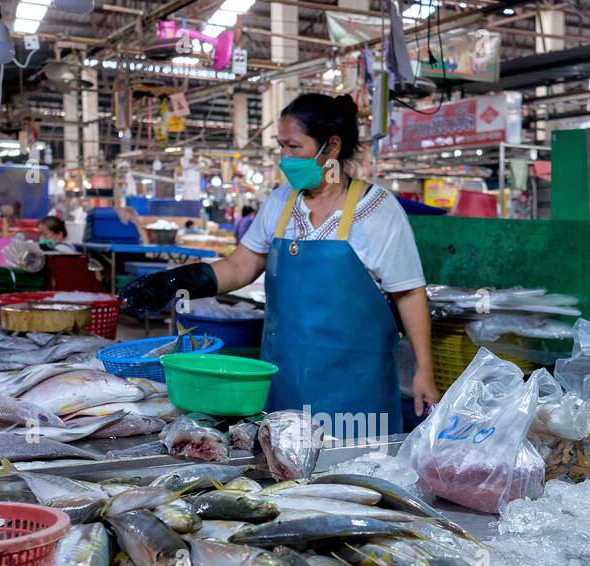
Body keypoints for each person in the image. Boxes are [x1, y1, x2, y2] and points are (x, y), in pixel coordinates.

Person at [121, 93, 439, 427]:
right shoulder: (280, 203)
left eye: (295, 147)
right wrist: (177, 281)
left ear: (331, 146)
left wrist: (424, 370)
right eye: (281, 146)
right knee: (284, 467)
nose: (285, 158)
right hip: (284, 380)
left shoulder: (377, 211)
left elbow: (409, 293)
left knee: (353, 470)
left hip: (356, 390)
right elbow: (240, 266)